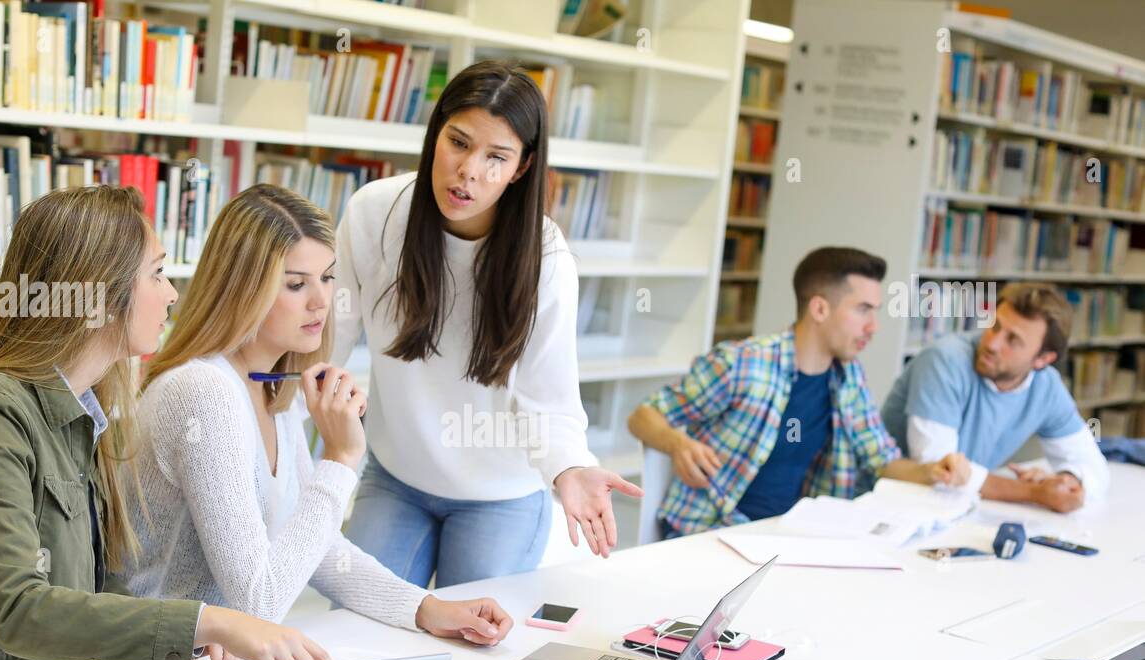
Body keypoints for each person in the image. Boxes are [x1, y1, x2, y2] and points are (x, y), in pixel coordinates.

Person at [0, 186, 328, 660]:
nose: (173, 293)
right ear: (99, 294)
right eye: (156, 273)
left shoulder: (82, 409)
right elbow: (18, 610)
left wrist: (180, 643)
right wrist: (206, 622)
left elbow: (87, 587)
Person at [128, 184, 514, 660]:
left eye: (328, 278)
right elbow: (259, 602)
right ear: (242, 290)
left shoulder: (274, 387)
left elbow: (319, 549)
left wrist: (426, 607)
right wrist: (341, 458)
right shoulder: (203, 392)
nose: (321, 301)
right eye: (295, 284)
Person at [332, 60, 641, 587]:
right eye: (459, 142)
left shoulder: (546, 260)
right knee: (362, 631)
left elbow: (551, 400)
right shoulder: (374, 213)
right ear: (436, 136)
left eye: (496, 157)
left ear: (521, 168)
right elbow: (324, 343)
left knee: (474, 642)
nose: (469, 171)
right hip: (395, 476)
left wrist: (569, 469)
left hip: (499, 497)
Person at [628, 247, 965, 536]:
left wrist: (930, 472)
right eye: (863, 309)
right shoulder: (742, 363)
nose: (873, 326)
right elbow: (643, 416)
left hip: (790, 532)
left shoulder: (848, 377)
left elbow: (882, 460)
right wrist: (678, 444)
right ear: (819, 309)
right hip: (711, 529)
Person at [881, 282, 1108, 513]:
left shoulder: (1046, 386)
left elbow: (1094, 467)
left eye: (1013, 340)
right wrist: (1034, 493)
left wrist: (1066, 481)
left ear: (1042, 359)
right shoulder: (944, 361)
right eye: (994, 325)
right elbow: (942, 472)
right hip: (889, 506)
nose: (992, 343)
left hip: (953, 512)